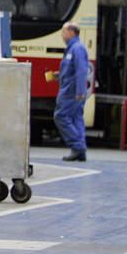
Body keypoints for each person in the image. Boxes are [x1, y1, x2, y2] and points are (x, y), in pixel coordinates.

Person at [52, 21, 89, 161]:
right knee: (76, 118)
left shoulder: (77, 49)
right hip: (72, 89)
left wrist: (79, 91)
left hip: (72, 91)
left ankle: (78, 147)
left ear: (71, 33)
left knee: (60, 116)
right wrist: (59, 74)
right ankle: (80, 152)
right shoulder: (72, 48)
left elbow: (81, 71)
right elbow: (73, 69)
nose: (62, 34)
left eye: (63, 32)